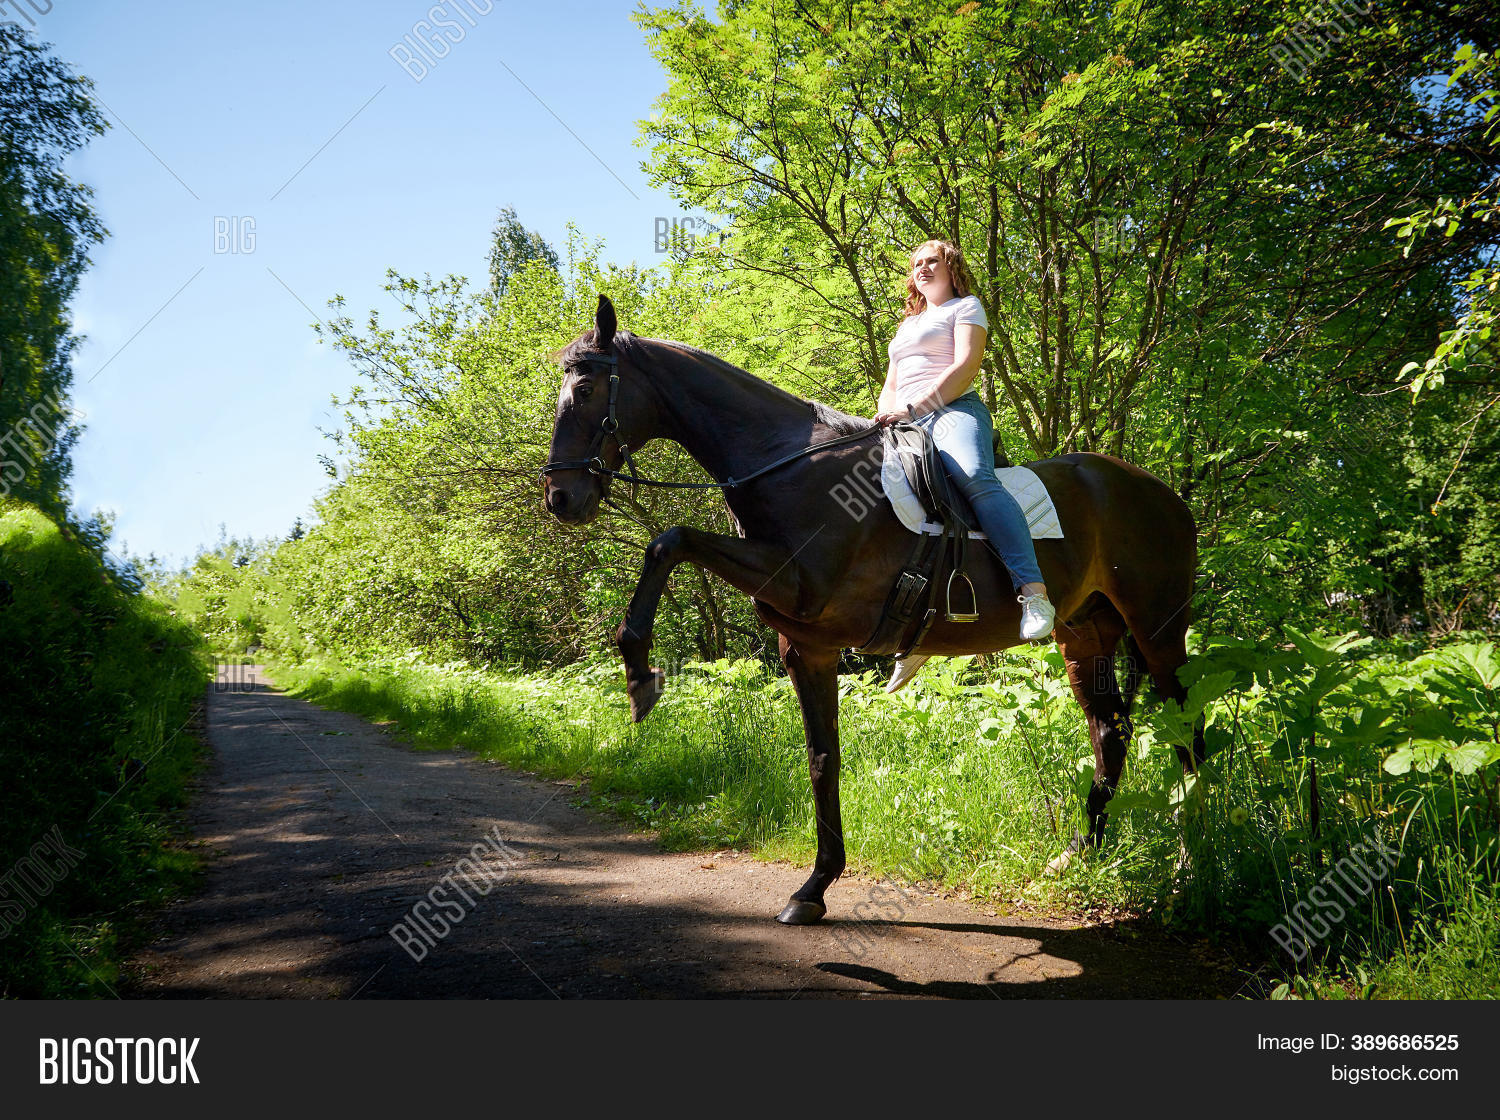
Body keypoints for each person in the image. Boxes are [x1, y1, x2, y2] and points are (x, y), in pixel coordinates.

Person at [874, 239, 1055, 693]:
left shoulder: (966, 307)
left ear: (952, 267)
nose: (922, 267)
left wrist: (915, 408)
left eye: (932, 260)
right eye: (916, 263)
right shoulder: (908, 324)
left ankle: (1034, 595)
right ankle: (917, 632)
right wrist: (880, 419)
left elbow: (965, 367)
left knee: (975, 479)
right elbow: (891, 384)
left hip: (952, 412)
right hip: (902, 421)